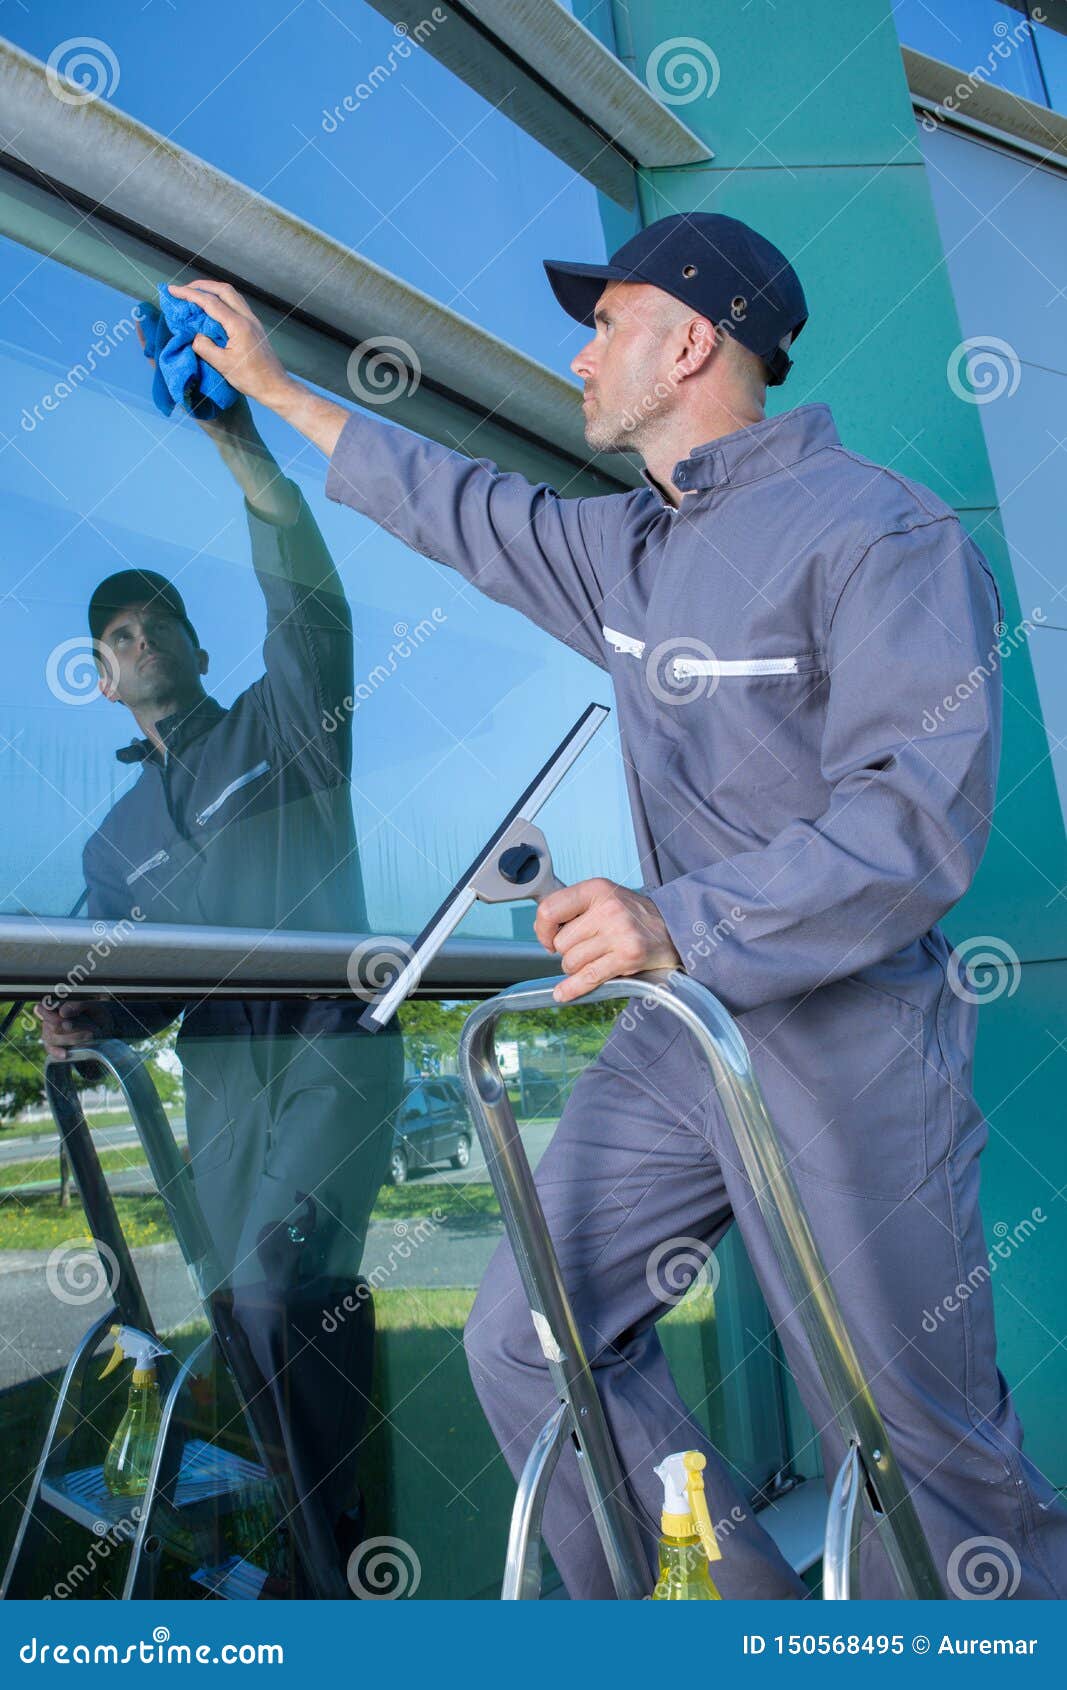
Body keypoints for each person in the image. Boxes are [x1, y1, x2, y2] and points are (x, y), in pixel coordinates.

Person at [162, 210, 1067, 1600]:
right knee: (531, 1336)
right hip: (678, 1036)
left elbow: (913, 820)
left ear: (690, 338)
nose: (579, 353)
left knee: (912, 1445)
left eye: (604, 322)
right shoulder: (629, 547)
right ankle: (732, 1625)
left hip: (844, 1041)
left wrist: (674, 922)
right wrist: (276, 394)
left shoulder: (879, 530)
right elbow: (459, 505)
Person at [37, 386, 403, 1599]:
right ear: (99, 680)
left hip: (332, 1044)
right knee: (250, 1312)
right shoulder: (112, 845)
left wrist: (242, 451)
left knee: (265, 1288)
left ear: (196, 642)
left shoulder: (284, 726)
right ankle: (336, 1540)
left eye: (154, 625)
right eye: (114, 639)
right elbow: (129, 993)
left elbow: (313, 604)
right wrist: (84, 1013)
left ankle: (330, 1573)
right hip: (221, 1086)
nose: (135, 643)